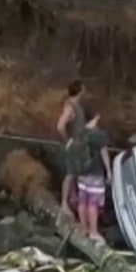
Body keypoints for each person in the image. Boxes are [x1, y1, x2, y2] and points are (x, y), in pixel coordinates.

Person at [71, 108, 112, 241]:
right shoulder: (99, 135)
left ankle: (84, 228)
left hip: (81, 173)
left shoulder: (78, 133)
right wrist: (109, 171)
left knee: (83, 202)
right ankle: (94, 232)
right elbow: (104, 154)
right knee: (93, 204)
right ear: (95, 118)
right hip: (95, 174)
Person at [55, 79, 87, 210]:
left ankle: (73, 197)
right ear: (79, 91)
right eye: (84, 89)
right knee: (70, 173)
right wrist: (67, 141)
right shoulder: (70, 107)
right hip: (72, 145)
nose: (85, 91)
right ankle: (64, 203)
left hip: (78, 144)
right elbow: (60, 126)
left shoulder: (77, 105)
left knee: (74, 172)